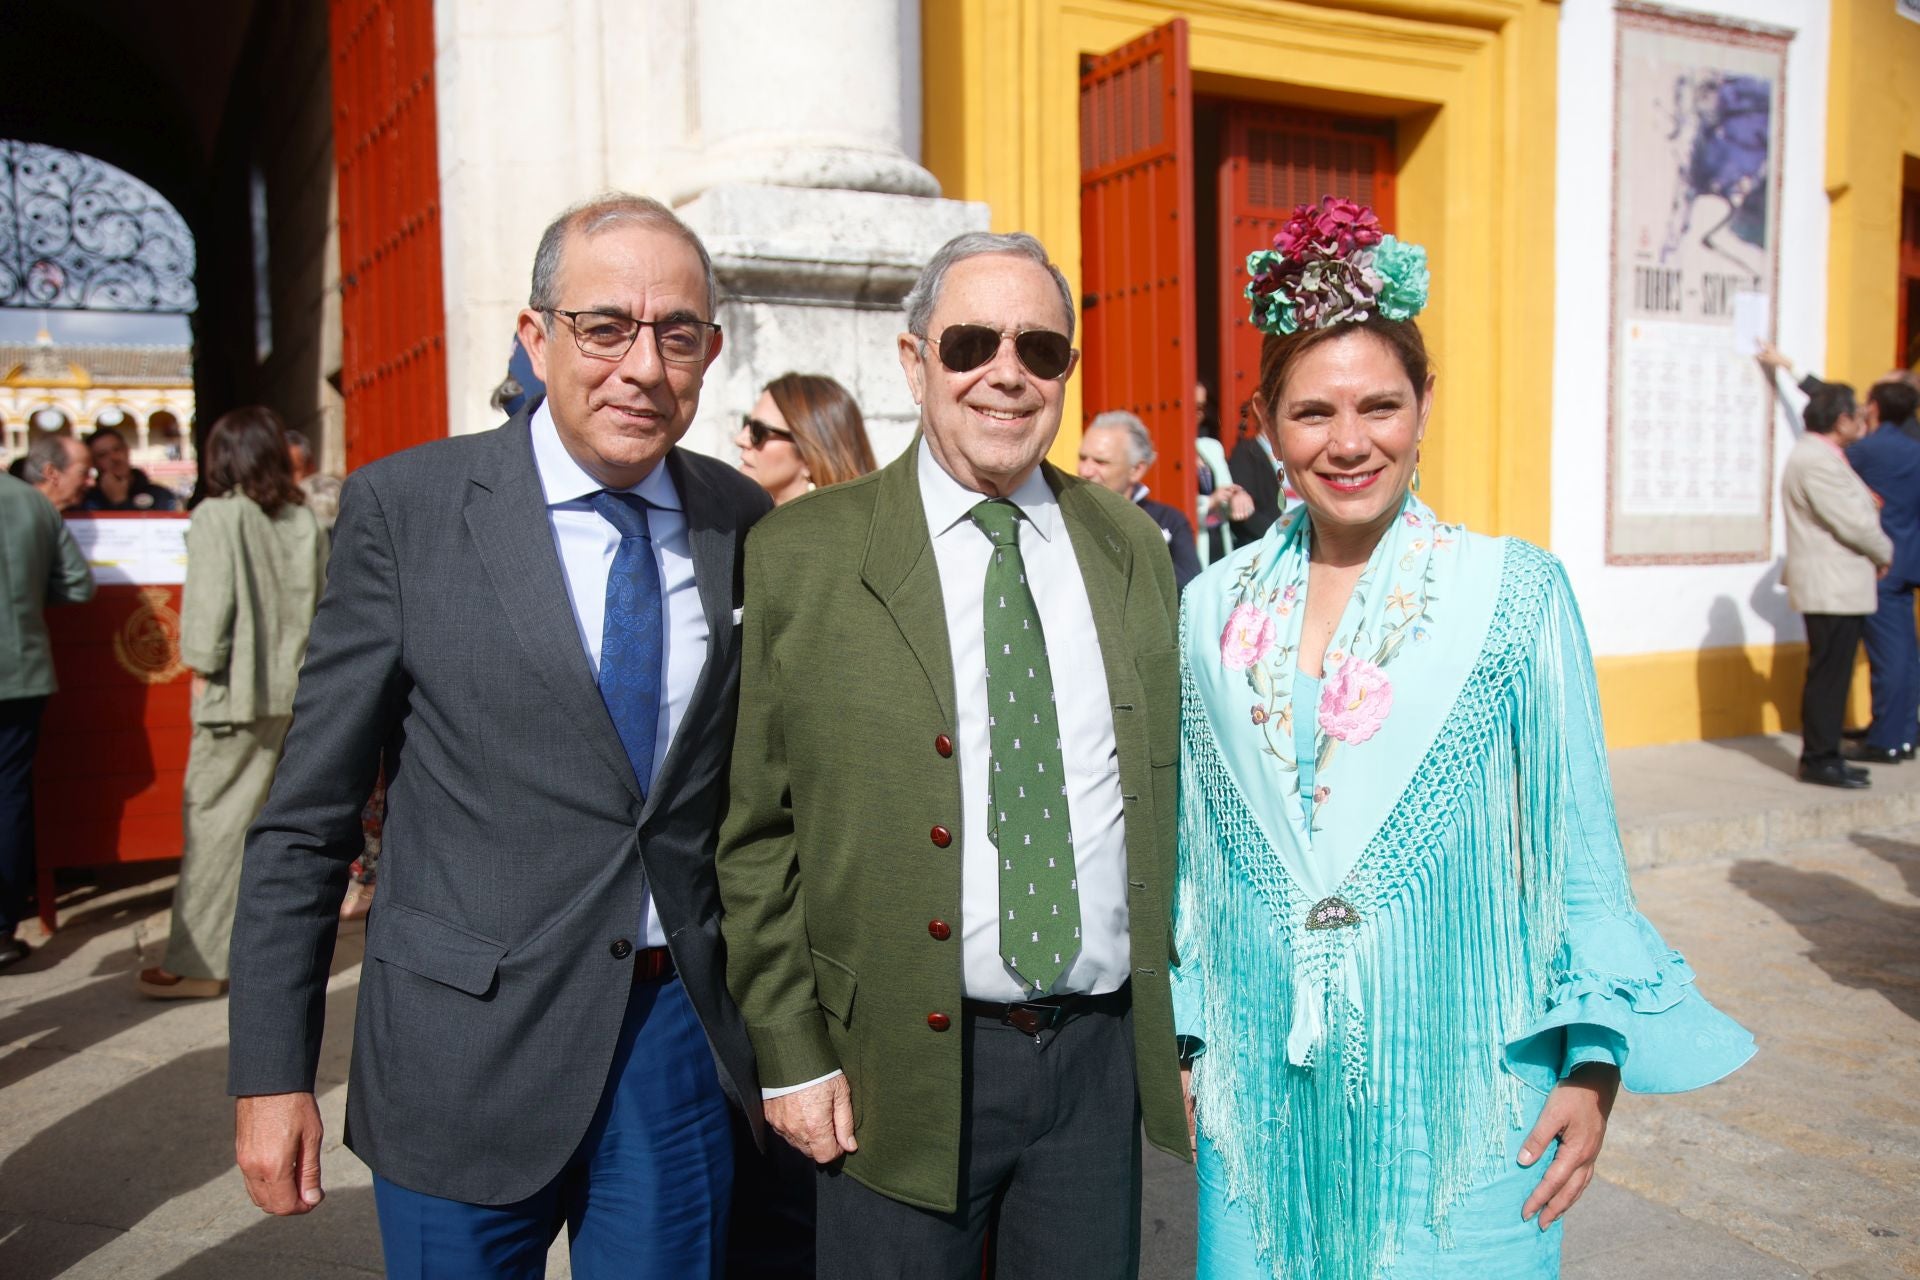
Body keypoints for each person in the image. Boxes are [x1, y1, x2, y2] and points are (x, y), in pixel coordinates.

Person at [1175, 199, 1754, 1278]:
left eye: (1380, 404)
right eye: (1312, 413)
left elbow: (1579, 850)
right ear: (1263, 422)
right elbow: (1191, 854)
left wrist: (1592, 1064)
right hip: (1259, 1088)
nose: (1349, 442)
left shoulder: (1516, 592)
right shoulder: (1209, 607)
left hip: (1469, 1091)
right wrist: (1188, 1035)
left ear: (1426, 403)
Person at [225, 193, 772, 1280]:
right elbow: (308, 816)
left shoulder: (742, 520)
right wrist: (270, 1071)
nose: (641, 365)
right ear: (535, 335)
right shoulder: (408, 510)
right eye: (603, 325)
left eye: (675, 334)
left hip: (672, 1048)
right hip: (459, 1053)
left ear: (709, 352)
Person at [716, 230, 1188, 1279]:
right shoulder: (804, 552)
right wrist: (793, 1055)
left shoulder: (1128, 547)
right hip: (891, 1070)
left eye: (1041, 349)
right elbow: (755, 835)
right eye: (972, 341)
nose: (1006, 372)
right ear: (914, 357)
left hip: (1095, 1063)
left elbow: (1173, 797)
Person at [136, 408, 328, 999]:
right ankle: (273, 959)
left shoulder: (217, 517)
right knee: (283, 834)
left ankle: (198, 963)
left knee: (215, 826)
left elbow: (208, 617)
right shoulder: (304, 519)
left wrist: (199, 669)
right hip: (297, 695)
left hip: (236, 696)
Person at [0, 469, 96, 969]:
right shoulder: (34, 504)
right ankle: (2, 925)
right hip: (22, 668)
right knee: (10, 793)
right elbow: (78, 585)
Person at [1780, 383, 1891, 788]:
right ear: (1841, 420)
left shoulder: (1823, 456)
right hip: (1831, 584)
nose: (1863, 421)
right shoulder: (1815, 460)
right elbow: (1853, 522)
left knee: (1834, 672)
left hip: (1839, 584)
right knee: (1829, 674)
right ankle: (1820, 758)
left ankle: (1828, 753)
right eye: (1857, 415)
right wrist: (1884, 551)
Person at [1841, 376, 1920, 765]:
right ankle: (1904, 733)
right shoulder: (1913, 448)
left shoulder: (1867, 451)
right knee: (1906, 653)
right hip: (1908, 561)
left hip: (1881, 566)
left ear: (1873, 408)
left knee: (1888, 656)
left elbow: (1836, 473)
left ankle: (1886, 739)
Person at [1078, 408, 1202, 589]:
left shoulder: (1169, 521)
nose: (1085, 471)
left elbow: (1189, 586)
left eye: (1100, 462)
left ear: (1136, 470)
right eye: (1082, 458)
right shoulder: (1064, 514)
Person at [733, 371, 877, 505]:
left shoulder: (831, 530)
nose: (740, 439)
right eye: (746, 423)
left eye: (758, 431)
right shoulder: (745, 524)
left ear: (810, 456)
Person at [81, 425, 179, 511]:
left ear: (127, 450)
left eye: (117, 449)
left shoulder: (159, 495)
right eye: (102, 455)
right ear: (93, 463)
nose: (114, 458)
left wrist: (120, 502)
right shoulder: (84, 501)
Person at [23, 434, 90, 512]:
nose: (91, 482)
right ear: (51, 473)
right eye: (83, 473)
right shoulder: (12, 517)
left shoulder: (86, 516)